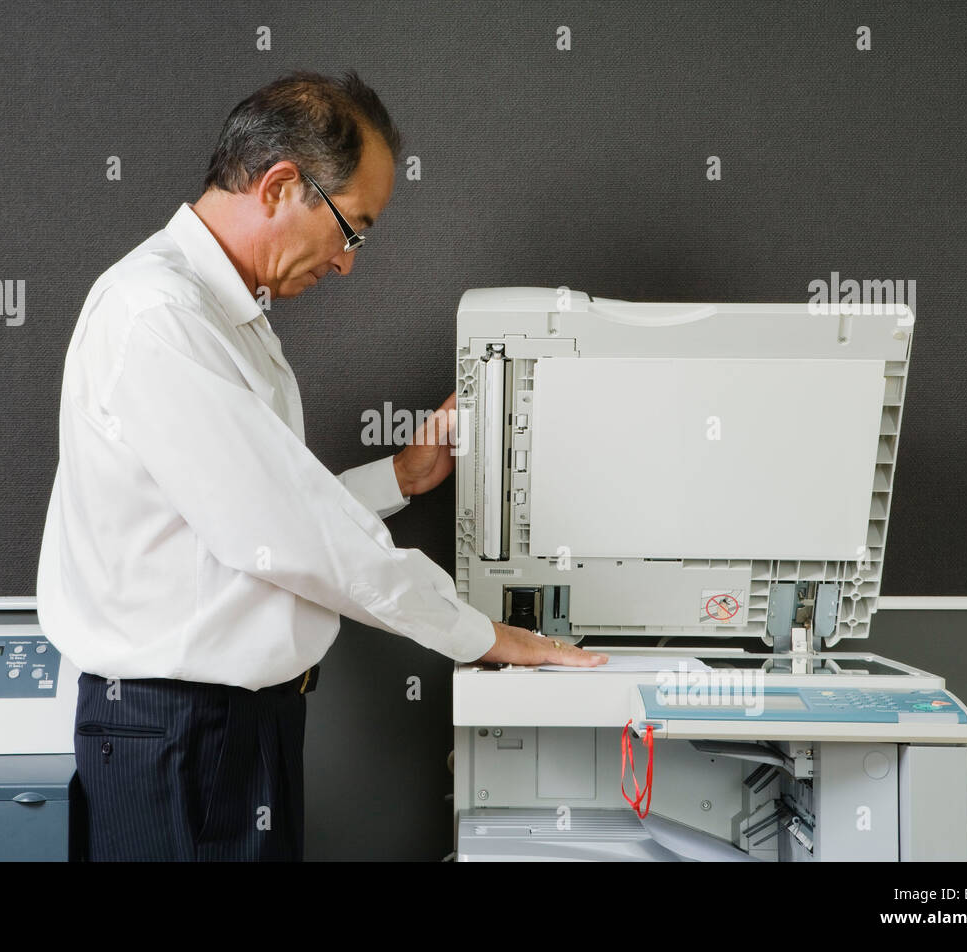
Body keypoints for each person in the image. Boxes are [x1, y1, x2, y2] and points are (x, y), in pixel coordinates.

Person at [36, 69, 607, 862]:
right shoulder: (159, 318)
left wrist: (399, 480)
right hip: (179, 737)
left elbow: (254, 524)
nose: (346, 263)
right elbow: (293, 535)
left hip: (236, 726)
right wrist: (484, 637)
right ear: (279, 185)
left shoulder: (222, 315)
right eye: (351, 229)